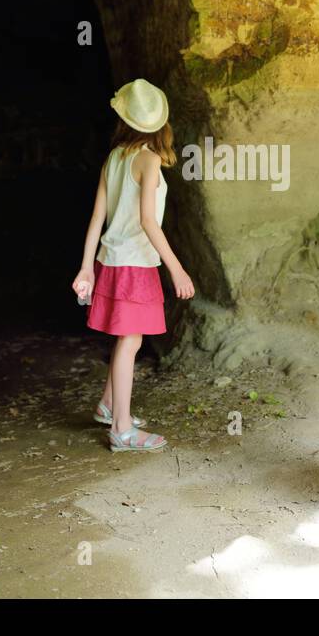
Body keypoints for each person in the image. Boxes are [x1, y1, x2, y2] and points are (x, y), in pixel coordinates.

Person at [72, 78, 194, 451]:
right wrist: (176, 267)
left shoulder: (116, 157)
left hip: (111, 260)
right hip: (136, 266)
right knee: (130, 341)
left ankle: (109, 405)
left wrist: (86, 267)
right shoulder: (150, 160)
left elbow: (97, 218)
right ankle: (122, 430)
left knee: (127, 337)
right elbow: (148, 221)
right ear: (160, 123)